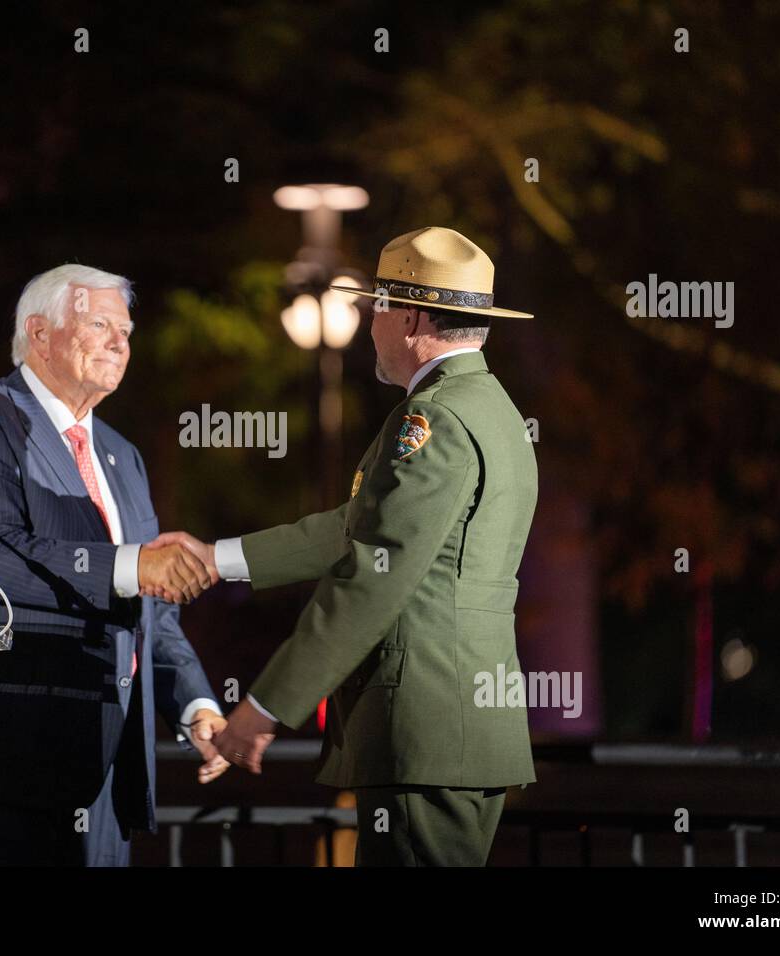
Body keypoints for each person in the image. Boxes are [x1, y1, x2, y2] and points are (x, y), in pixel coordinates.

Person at [165, 227, 540, 866]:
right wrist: (214, 559)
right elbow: (357, 530)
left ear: (414, 317)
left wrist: (263, 708)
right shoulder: (490, 408)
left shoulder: (435, 419)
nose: (369, 323)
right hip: (452, 729)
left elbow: (372, 575)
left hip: (421, 733)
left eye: (378, 307)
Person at [0, 263, 227, 866]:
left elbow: (148, 609)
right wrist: (132, 566)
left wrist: (194, 705)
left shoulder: (122, 455)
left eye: (128, 330)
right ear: (40, 335)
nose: (121, 342)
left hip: (109, 773)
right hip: (12, 768)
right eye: (101, 325)